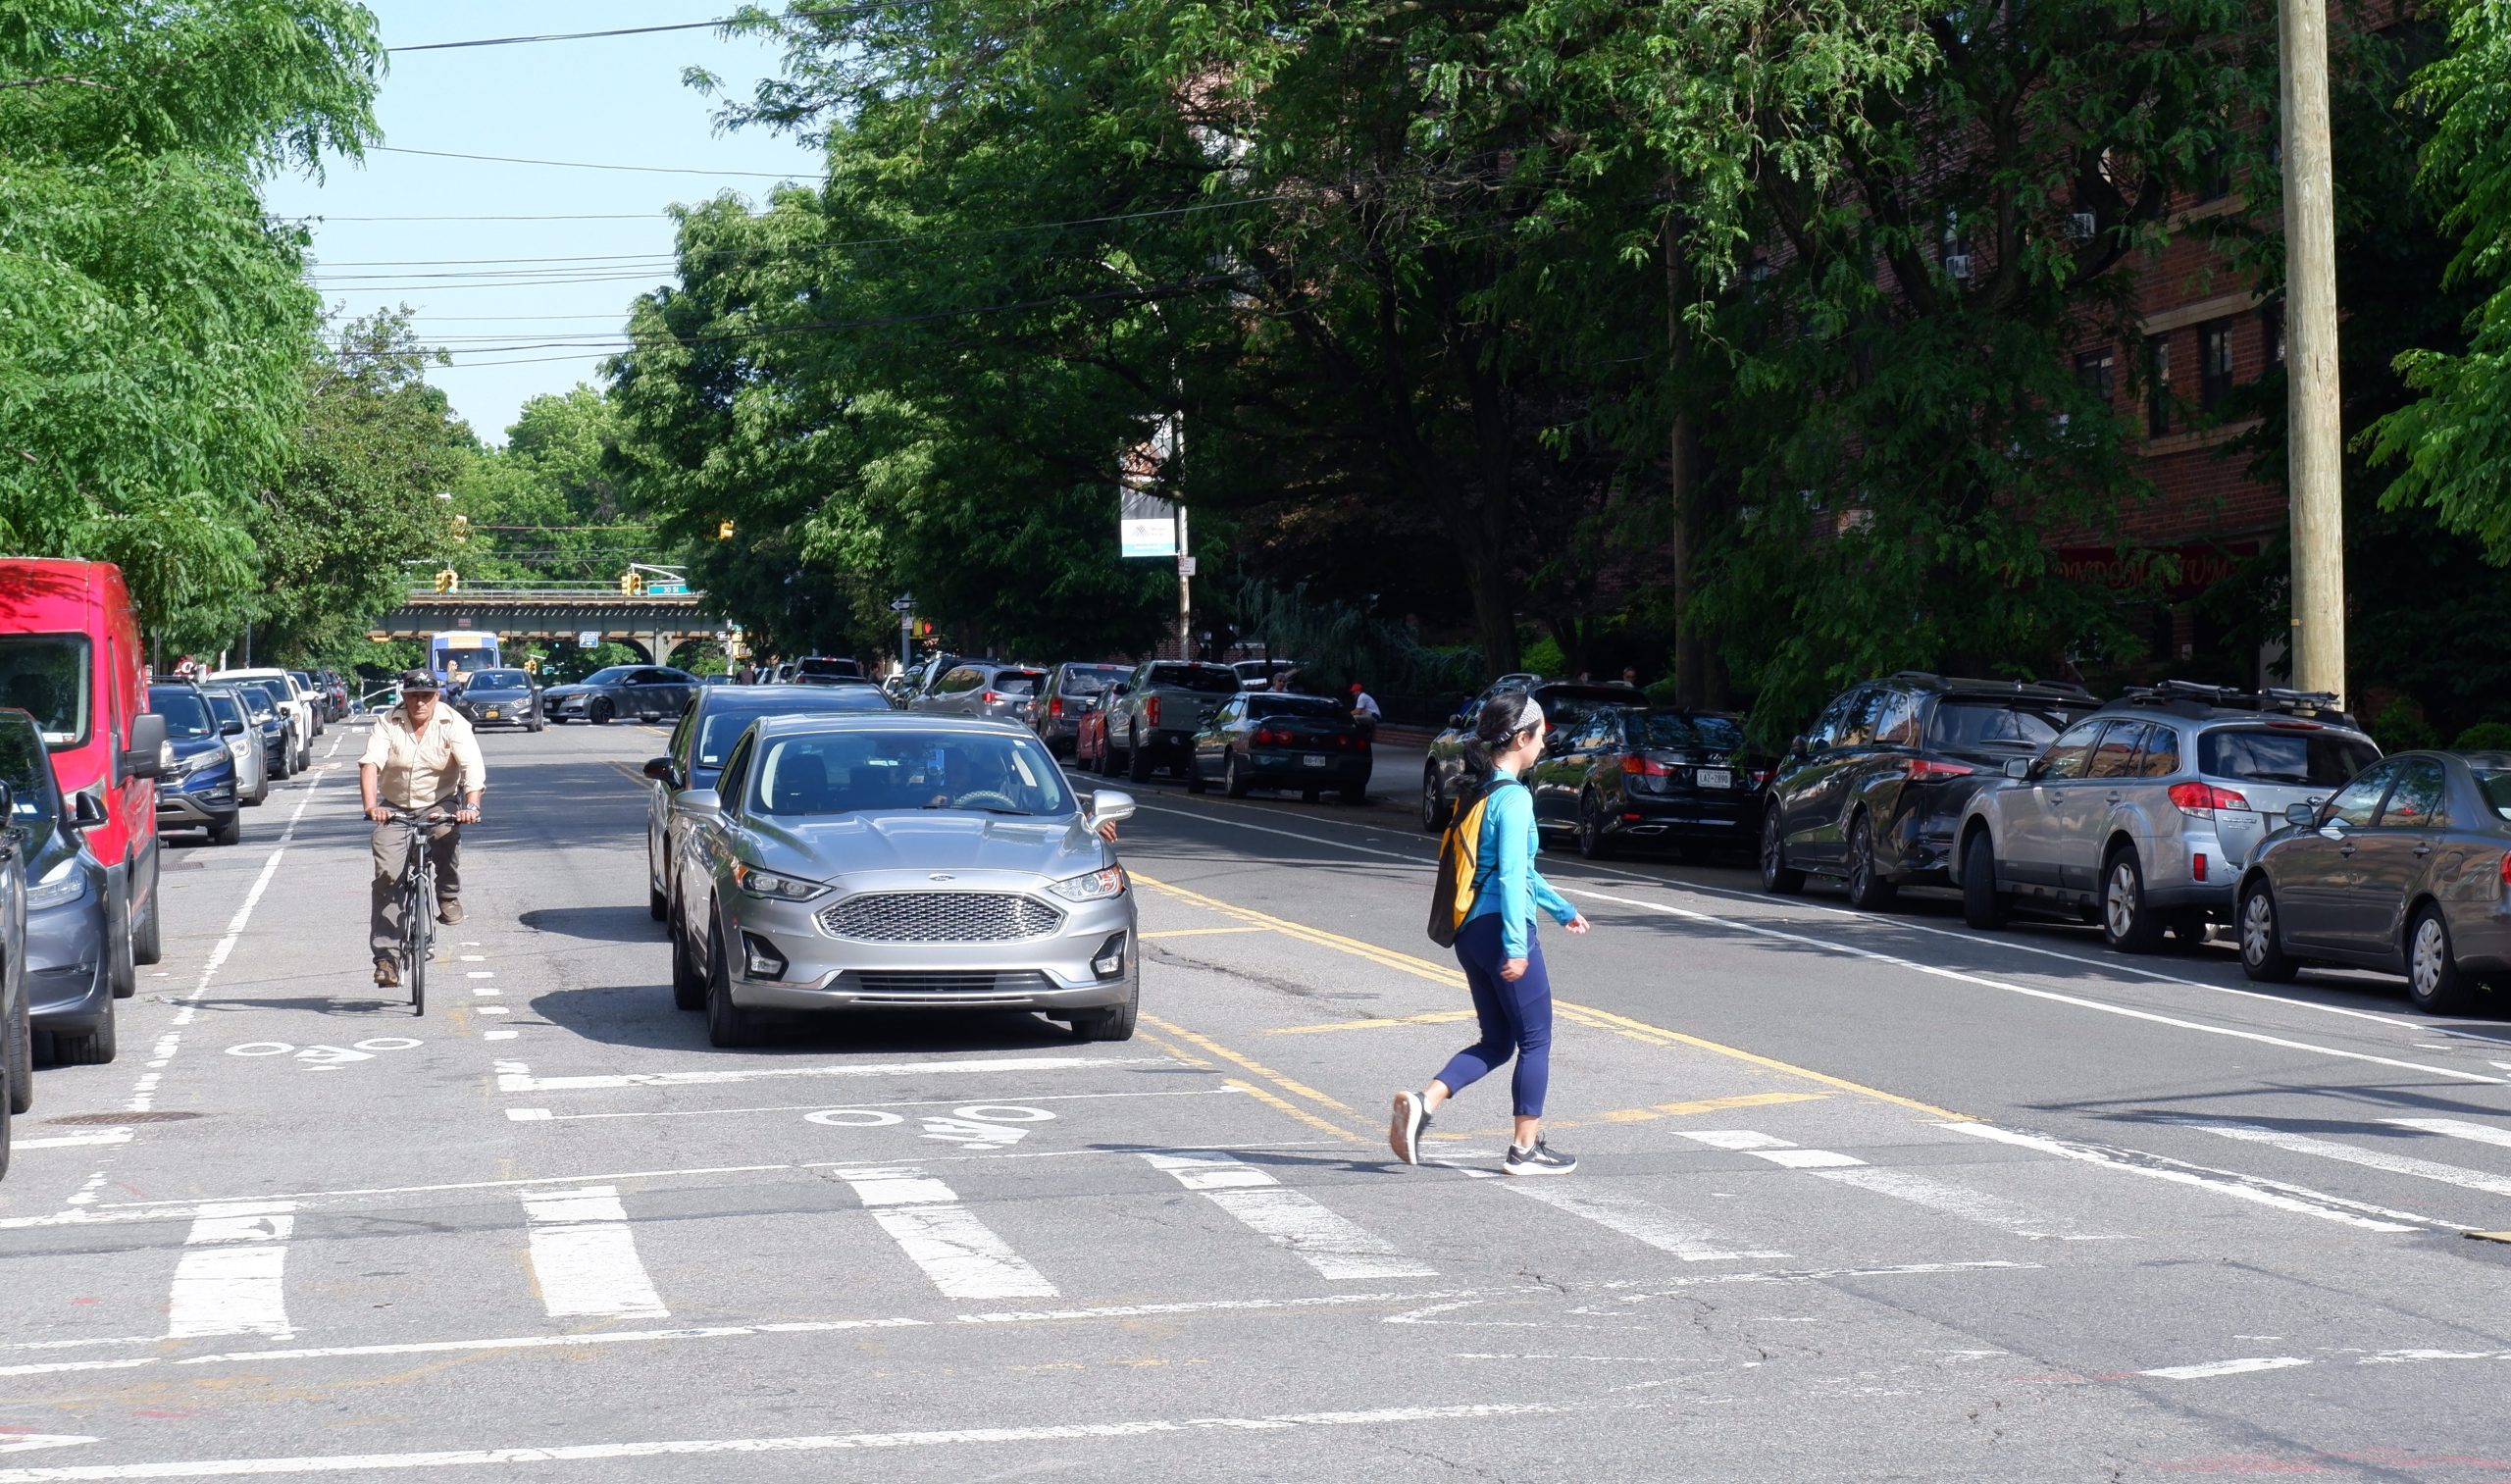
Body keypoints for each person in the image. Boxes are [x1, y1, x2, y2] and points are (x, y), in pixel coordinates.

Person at [1389, 690, 1589, 1175]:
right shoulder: (1515, 798)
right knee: (1536, 1040)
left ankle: (1424, 1101)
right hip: (1504, 930)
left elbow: (1510, 870)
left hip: (1470, 932)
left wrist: (1562, 910)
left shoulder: (1478, 792)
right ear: (1522, 737)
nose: (1544, 743)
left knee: (1498, 1041)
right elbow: (1511, 875)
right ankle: (1525, 1148)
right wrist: (1518, 947)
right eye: (1541, 735)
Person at [359, 669, 486, 988]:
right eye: (413, 694)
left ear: (436, 697)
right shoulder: (388, 722)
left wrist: (471, 806)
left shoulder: (453, 723)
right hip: (395, 807)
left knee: (445, 833)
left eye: (426, 695)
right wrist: (372, 807)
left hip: (439, 802)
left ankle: (447, 894)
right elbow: (370, 764)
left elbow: (472, 767)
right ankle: (387, 958)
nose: (419, 701)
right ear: (403, 695)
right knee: (388, 874)